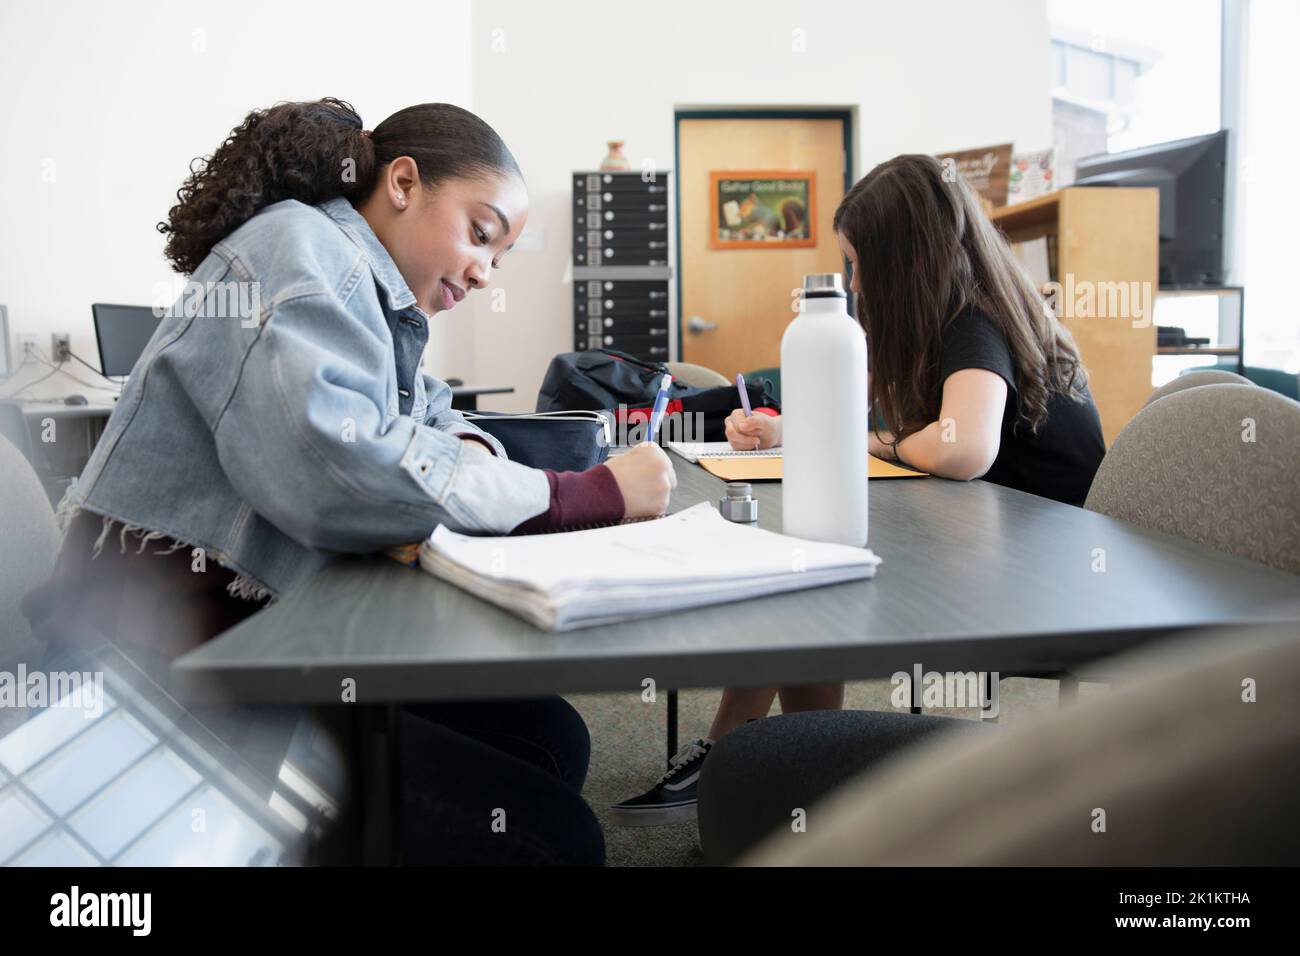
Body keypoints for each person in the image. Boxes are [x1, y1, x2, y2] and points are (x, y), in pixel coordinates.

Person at [22, 97, 677, 865]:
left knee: (546, 733)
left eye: (498, 258)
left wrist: (488, 471)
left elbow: (428, 420)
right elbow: (341, 472)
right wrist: (588, 493)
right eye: (481, 234)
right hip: (164, 663)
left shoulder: (372, 294)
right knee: (554, 837)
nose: (483, 270)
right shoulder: (299, 251)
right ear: (403, 182)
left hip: (258, 630)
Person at [611, 153, 1104, 829]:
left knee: (806, 575)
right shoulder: (945, 322)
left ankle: (750, 762)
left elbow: (960, 444)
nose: (853, 281)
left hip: (1047, 578)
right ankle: (786, 768)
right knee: (803, 566)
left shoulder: (975, 322)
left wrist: (858, 441)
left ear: (904, 261)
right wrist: (796, 432)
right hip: (989, 540)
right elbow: (897, 429)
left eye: (858, 262)